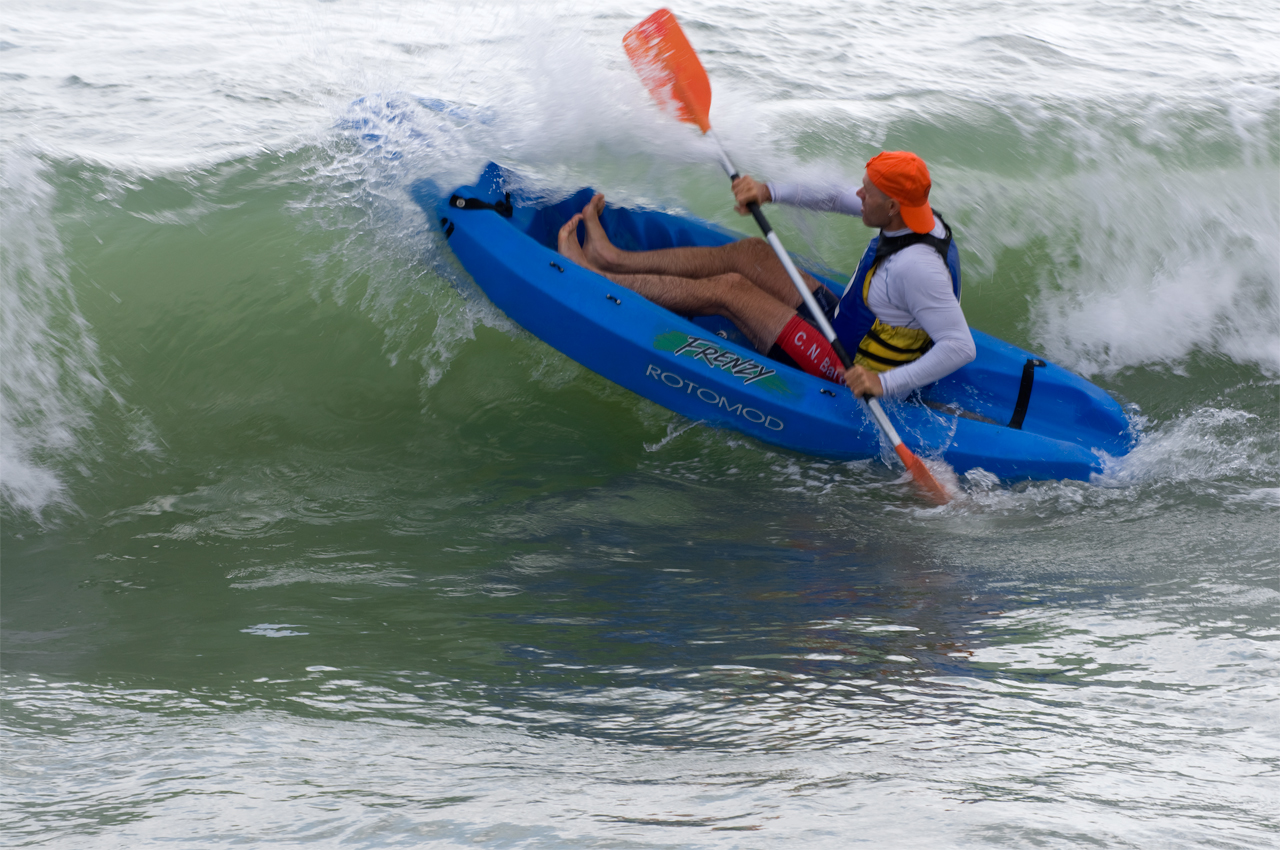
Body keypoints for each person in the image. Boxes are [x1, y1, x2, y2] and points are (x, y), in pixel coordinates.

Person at [556, 151, 975, 399]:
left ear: (894, 206)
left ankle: (594, 277)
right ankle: (612, 258)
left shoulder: (918, 267)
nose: (859, 195)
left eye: (868, 192)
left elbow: (959, 346)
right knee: (752, 254)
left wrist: (884, 385)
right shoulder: (913, 217)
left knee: (731, 290)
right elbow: (833, 196)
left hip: (846, 364)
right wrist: (767, 192)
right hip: (842, 324)